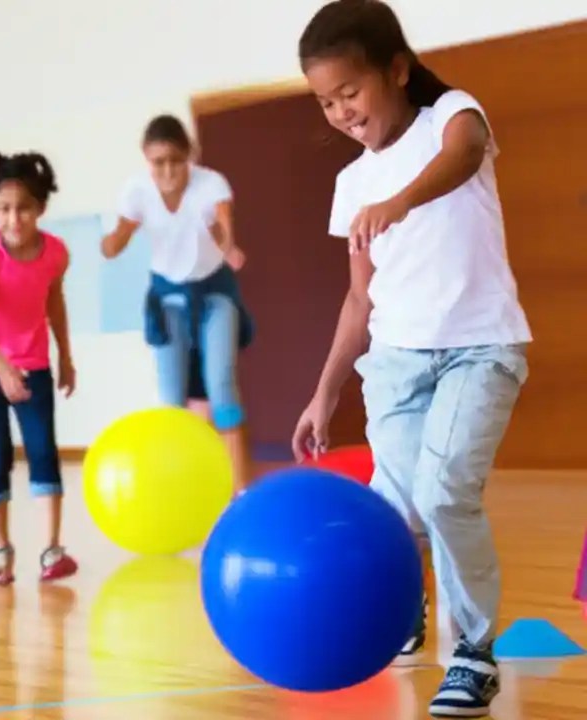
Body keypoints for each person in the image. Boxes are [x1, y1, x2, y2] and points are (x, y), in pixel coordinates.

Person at [293, 1, 531, 716]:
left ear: (396, 70)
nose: (341, 111)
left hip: (478, 348)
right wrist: (324, 393)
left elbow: (464, 154)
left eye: (350, 91)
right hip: (394, 363)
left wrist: (399, 202)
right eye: (326, 101)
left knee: (444, 491)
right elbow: (359, 300)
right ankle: (407, 605)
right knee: (394, 508)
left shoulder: (449, 117)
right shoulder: (350, 184)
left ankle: (474, 652)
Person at [101, 114, 255, 493]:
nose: (168, 170)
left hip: (214, 292)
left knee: (222, 388)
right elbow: (121, 235)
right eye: (158, 162)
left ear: (190, 155)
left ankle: (241, 490)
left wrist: (227, 244)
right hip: (167, 297)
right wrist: (112, 243)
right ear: (146, 159)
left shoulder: (210, 184)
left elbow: (224, 229)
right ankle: (183, 487)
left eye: (175, 160)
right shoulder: (137, 190)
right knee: (171, 399)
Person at [0, 151, 79, 585]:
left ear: (40, 208)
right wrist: (3, 370)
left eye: (24, 208)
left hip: (32, 364)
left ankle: (52, 550)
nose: (14, 219)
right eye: (4, 208)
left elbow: (54, 302)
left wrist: (65, 356)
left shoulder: (55, 253)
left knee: (42, 449)